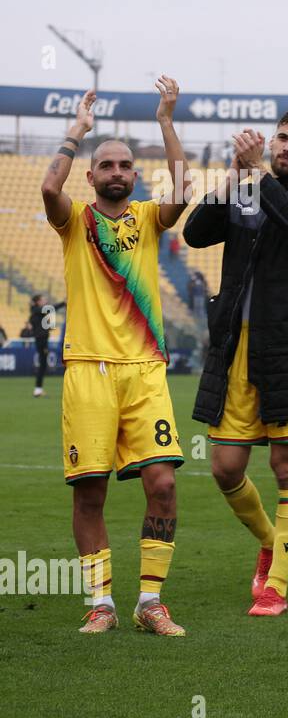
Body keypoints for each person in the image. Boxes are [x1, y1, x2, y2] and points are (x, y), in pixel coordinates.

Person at [41, 79, 192, 636]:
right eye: (107, 165)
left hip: (145, 369)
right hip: (88, 370)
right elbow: (47, 188)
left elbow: (183, 189)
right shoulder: (74, 220)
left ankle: (150, 600)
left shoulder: (149, 219)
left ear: (134, 173)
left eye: (125, 165)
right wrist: (77, 131)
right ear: (92, 175)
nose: (118, 172)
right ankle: (101, 603)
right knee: (91, 489)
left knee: (165, 484)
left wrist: (166, 121)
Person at [184, 110, 288, 617]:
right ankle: (271, 542)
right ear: (271, 142)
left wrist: (259, 176)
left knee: (286, 465)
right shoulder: (246, 186)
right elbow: (196, 233)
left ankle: (276, 587)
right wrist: (233, 175)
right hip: (234, 346)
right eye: (282, 138)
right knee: (225, 468)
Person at [29, 292, 64, 398]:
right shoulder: (37, 310)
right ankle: (37, 390)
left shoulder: (36, 311)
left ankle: (38, 389)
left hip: (41, 339)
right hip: (41, 340)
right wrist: (63, 303)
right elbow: (51, 309)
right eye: (43, 300)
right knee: (43, 364)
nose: (45, 301)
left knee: (43, 364)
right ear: (38, 302)